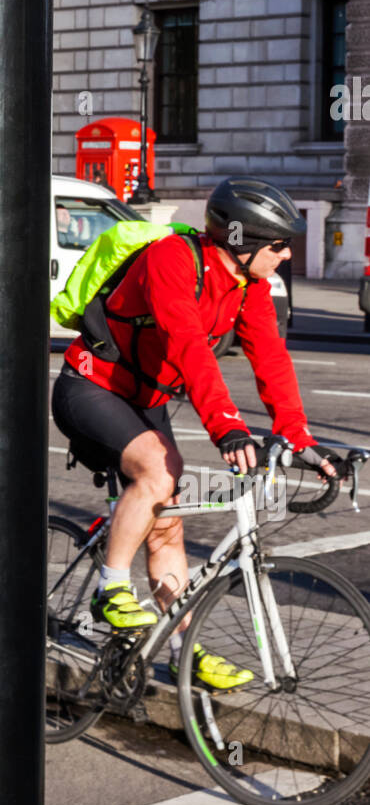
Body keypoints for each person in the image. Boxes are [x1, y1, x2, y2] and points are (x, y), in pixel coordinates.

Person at [52, 176, 339, 690]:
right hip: (91, 388)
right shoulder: (172, 259)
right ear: (242, 241)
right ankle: (110, 588)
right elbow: (188, 345)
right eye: (279, 246)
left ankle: (184, 648)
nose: (287, 257)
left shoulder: (246, 288)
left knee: (169, 521)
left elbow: (270, 357)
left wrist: (298, 435)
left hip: (148, 400)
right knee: (158, 475)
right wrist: (227, 427)